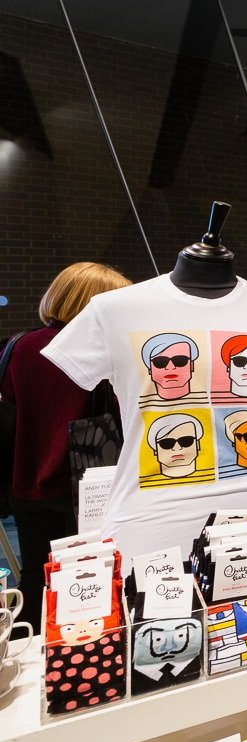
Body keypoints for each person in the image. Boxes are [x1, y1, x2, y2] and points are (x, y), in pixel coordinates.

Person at [0, 262, 130, 633]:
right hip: (96, 486)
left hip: (30, 484)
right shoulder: (100, 351)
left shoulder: (18, 348)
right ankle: (94, 659)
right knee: (96, 581)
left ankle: (35, 662)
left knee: (37, 580)